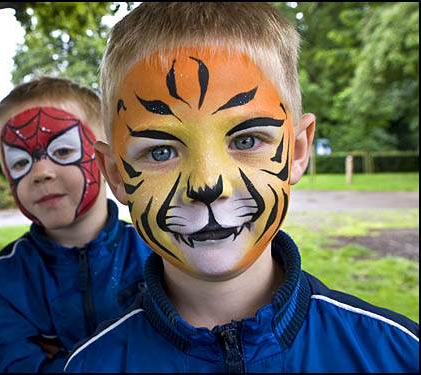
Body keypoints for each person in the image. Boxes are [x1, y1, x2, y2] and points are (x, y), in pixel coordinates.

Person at [63, 3, 419, 373]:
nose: (206, 185)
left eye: (246, 141)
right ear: (116, 174)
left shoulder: (398, 354)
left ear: (297, 152)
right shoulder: (91, 365)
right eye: (161, 151)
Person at [0, 76, 151, 373]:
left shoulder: (155, 253)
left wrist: (63, 362)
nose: (40, 172)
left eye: (63, 151)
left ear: (108, 160)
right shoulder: (2, 279)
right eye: (20, 162)